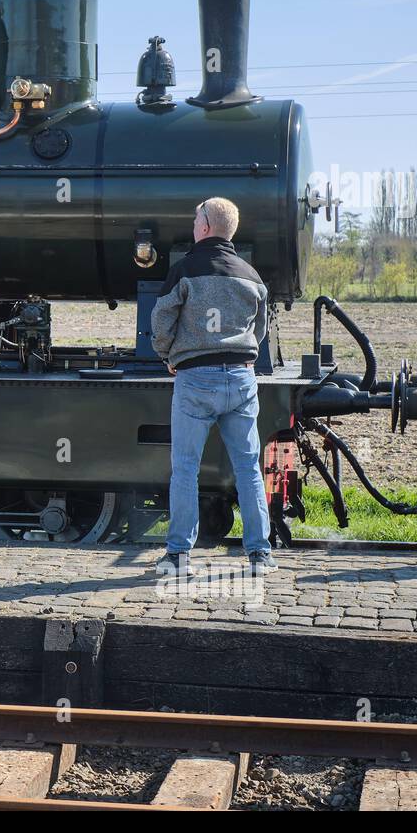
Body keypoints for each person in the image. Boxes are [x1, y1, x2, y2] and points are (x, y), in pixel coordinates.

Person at [150, 197, 274, 575]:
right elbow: (260, 329)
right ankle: (260, 556)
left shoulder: (184, 270)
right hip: (241, 378)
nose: (192, 225)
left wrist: (168, 355)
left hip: (195, 379)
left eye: (194, 219)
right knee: (249, 467)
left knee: (185, 468)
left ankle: (179, 556)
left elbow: (161, 321)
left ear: (204, 226)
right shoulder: (251, 276)